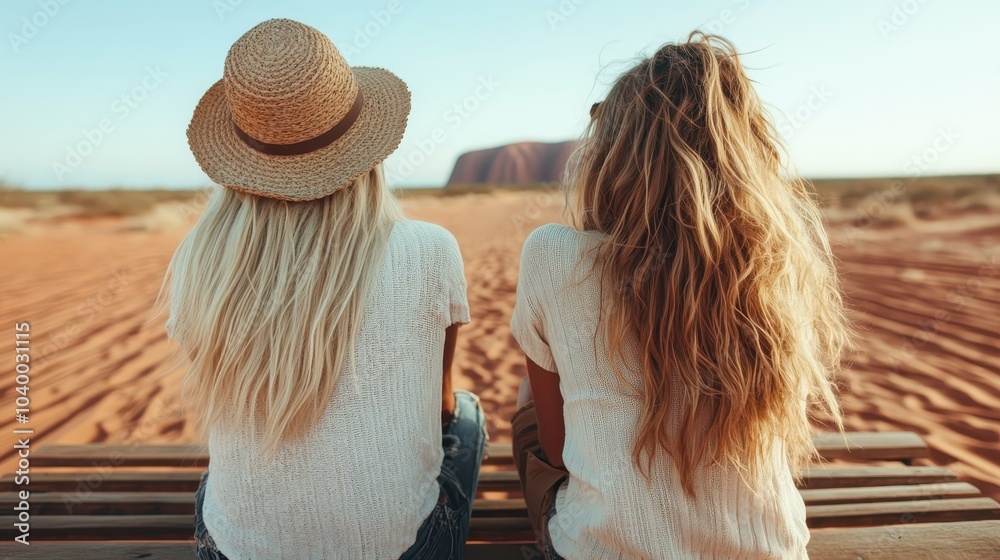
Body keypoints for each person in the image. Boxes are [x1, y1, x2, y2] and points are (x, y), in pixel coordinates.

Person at [510, 32, 850, 559]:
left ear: (615, 154)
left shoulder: (553, 254)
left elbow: (556, 451)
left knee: (528, 394)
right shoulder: (778, 263)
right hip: (770, 550)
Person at [161, 18, 486, 560]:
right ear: (367, 153)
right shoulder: (429, 249)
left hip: (235, 549)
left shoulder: (200, 259)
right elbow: (442, 403)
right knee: (469, 413)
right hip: (401, 548)